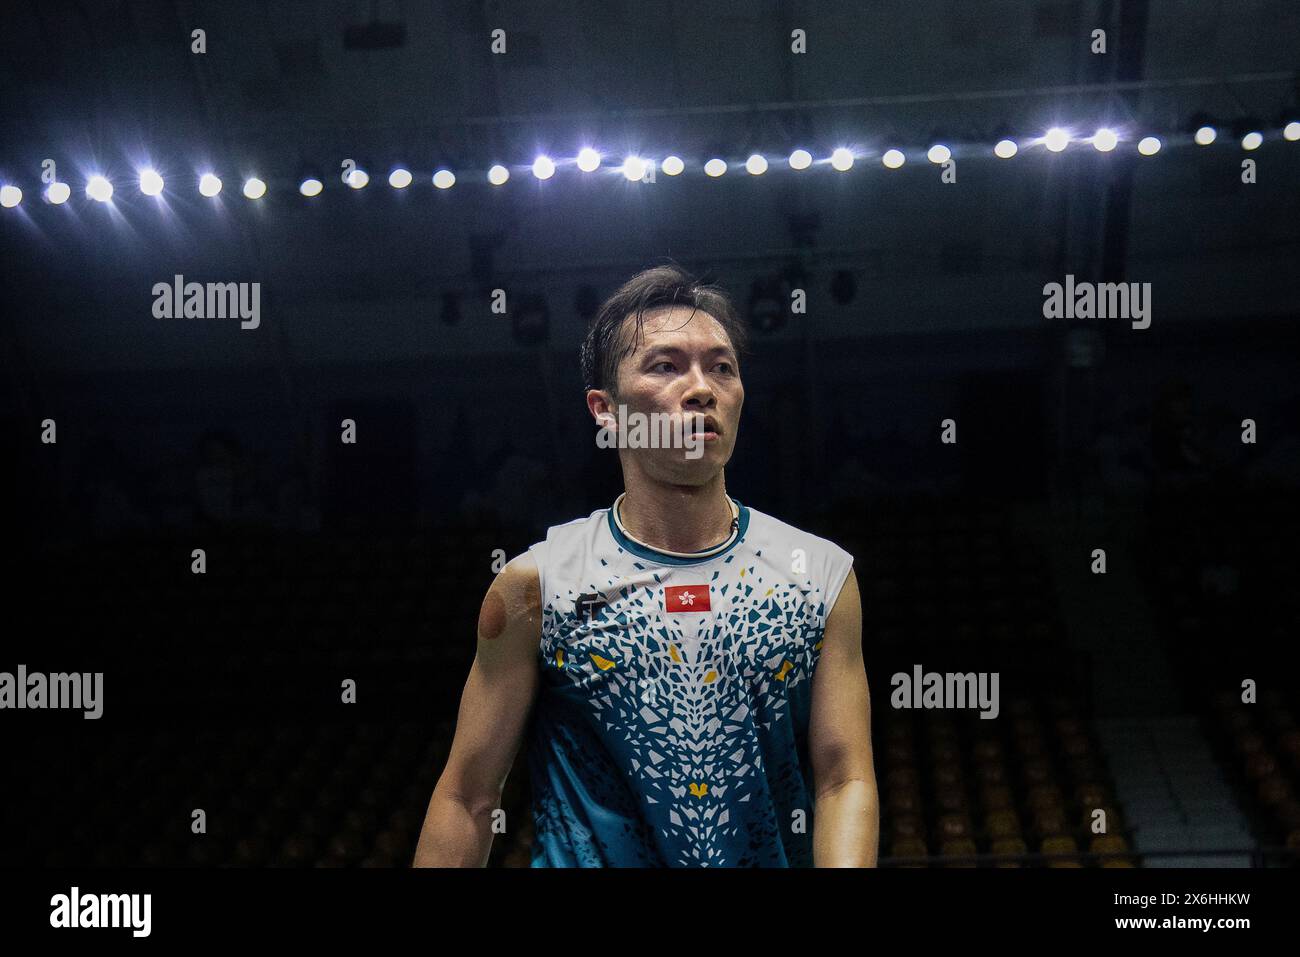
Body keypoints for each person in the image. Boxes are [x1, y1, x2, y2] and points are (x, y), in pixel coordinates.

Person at [413, 264, 878, 867]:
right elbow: (467, 796)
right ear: (606, 411)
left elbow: (845, 781)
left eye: (722, 367)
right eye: (666, 365)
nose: (702, 387)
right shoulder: (538, 586)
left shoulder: (821, 576)